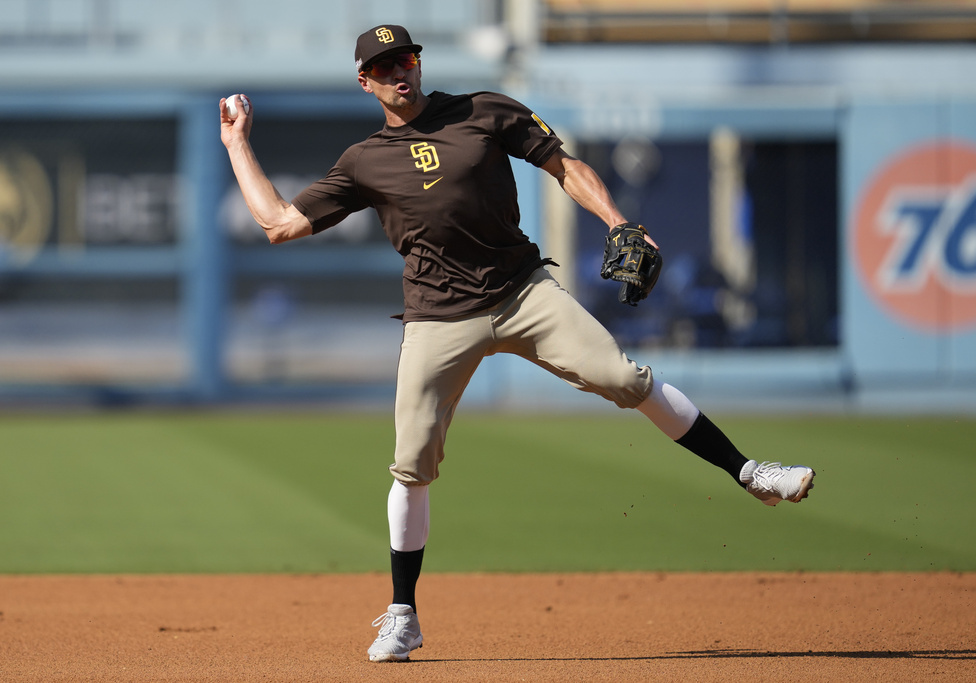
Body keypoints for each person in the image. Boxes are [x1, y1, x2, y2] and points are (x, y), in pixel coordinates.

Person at [220, 24, 816, 663]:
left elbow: (566, 167)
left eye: (407, 59)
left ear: (420, 65)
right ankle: (402, 614)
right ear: (365, 81)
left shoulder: (484, 109)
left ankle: (750, 472)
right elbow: (278, 224)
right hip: (437, 318)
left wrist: (619, 221)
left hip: (523, 292)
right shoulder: (364, 159)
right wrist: (236, 143)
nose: (400, 72)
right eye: (384, 65)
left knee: (625, 379)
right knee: (412, 462)